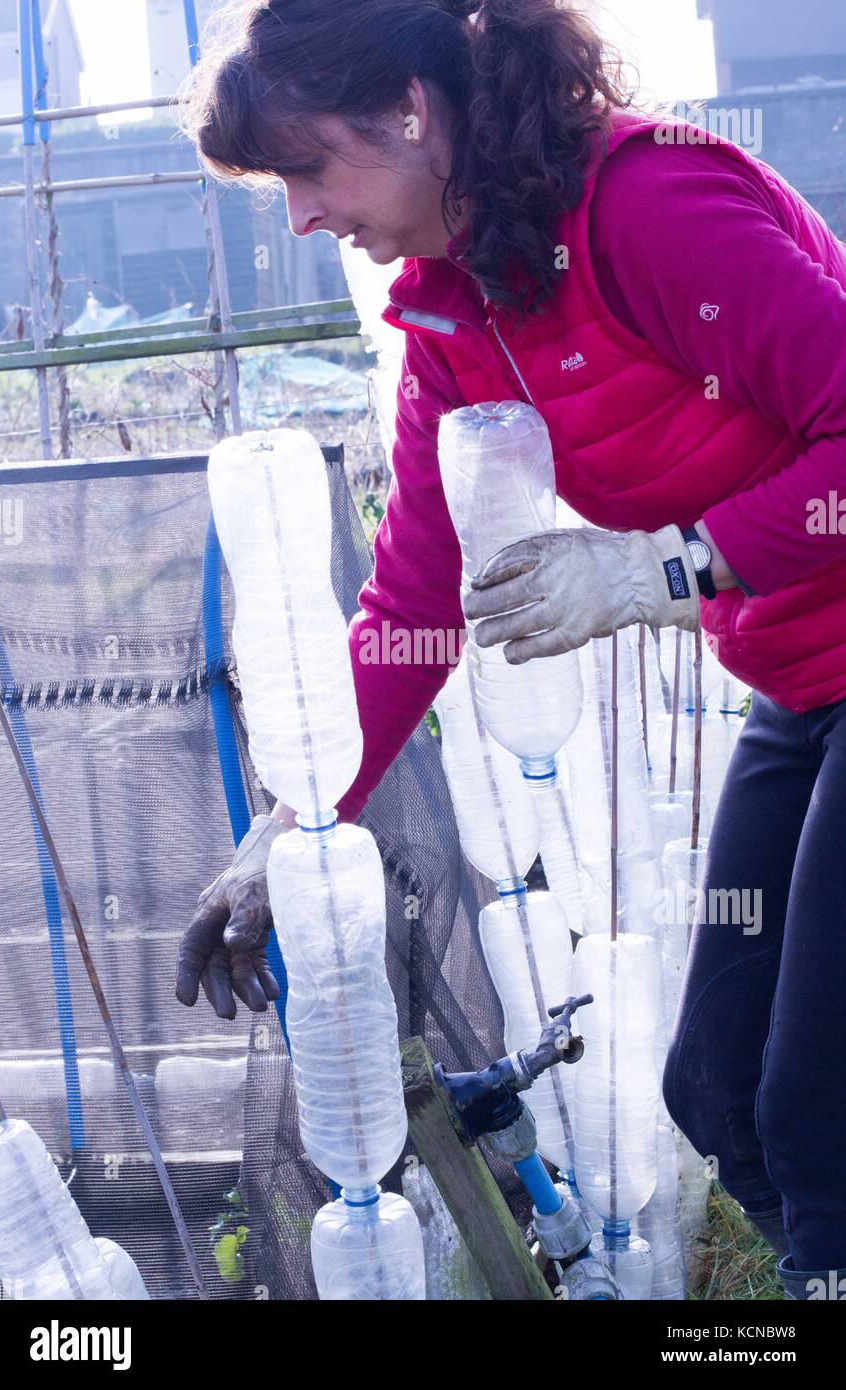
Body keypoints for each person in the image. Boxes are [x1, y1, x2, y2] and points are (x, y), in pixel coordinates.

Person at [174, 0, 846, 1300]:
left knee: (814, 1106)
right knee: (715, 1087)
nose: (302, 216)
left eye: (306, 169)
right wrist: (292, 816)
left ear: (412, 113)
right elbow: (416, 598)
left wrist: (669, 563)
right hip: (800, 675)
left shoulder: (647, 210)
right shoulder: (455, 313)